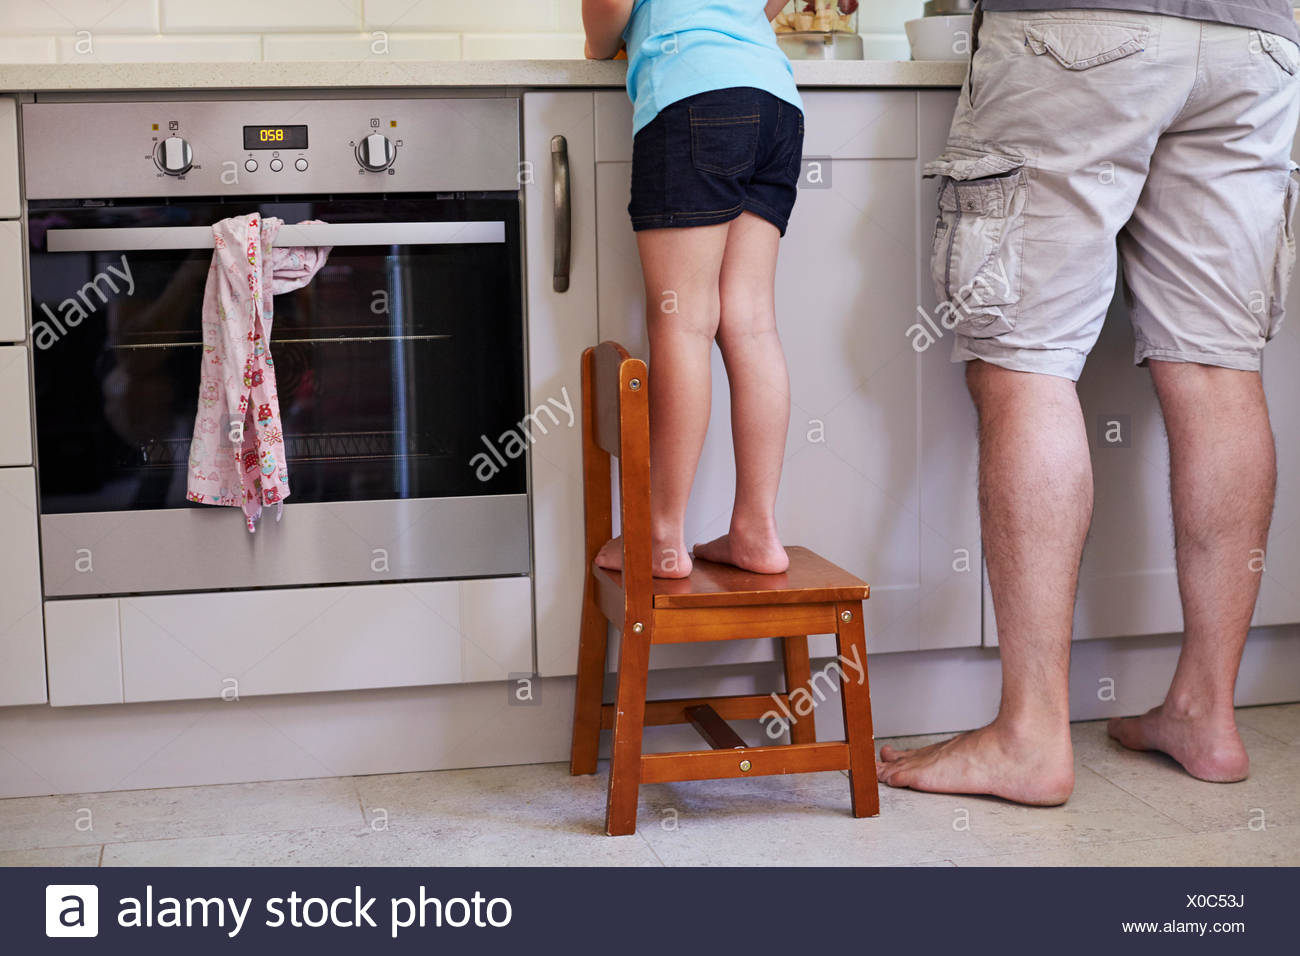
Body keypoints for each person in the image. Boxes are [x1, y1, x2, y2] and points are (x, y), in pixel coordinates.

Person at [878, 0, 1300, 803]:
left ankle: (1030, 735)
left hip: (1076, 30)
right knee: (1215, 366)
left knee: (1026, 361)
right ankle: (1206, 712)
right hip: (1257, 43)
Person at [582, 0, 805, 579]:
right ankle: (757, 531)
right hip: (774, 97)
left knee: (683, 321)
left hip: (694, 94)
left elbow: (608, 5)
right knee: (751, 322)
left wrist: (600, 46)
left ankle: (660, 537)